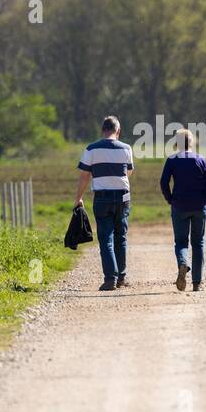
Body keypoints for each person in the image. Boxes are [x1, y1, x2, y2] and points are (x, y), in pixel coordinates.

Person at [74, 115, 135, 291]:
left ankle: (110, 279)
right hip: (123, 196)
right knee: (120, 237)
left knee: (106, 238)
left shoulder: (91, 149)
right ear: (118, 131)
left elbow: (85, 175)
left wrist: (78, 198)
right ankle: (121, 277)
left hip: (102, 197)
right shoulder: (126, 148)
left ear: (102, 130)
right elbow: (128, 172)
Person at [158, 128, 206, 292]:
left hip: (179, 206)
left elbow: (163, 183)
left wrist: (170, 199)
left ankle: (182, 263)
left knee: (181, 241)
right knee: (198, 243)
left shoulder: (172, 160)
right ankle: (197, 283)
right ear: (192, 142)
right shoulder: (202, 160)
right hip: (199, 207)